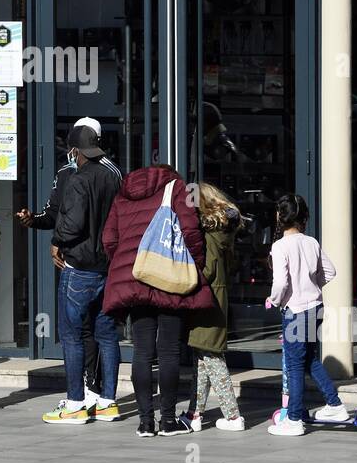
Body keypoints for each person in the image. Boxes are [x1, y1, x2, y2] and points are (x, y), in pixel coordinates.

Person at [16, 117, 120, 410]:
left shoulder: (78, 179)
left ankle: (76, 401)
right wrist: (37, 221)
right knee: (107, 333)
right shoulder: (112, 175)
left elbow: (71, 223)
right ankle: (107, 401)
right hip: (107, 265)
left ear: (76, 150)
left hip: (80, 266)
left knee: (73, 335)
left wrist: (57, 241)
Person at [101, 164, 212, 438]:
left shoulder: (123, 194)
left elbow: (109, 239)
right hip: (168, 277)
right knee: (169, 351)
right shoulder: (178, 188)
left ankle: (145, 422)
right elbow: (191, 229)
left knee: (141, 351)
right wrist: (194, 263)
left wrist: (127, 263)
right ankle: (168, 421)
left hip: (136, 278)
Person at [266, 193, 346, 436]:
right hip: (316, 308)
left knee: (294, 365)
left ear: (280, 216)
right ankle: (334, 405)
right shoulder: (311, 242)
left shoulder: (279, 246)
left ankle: (293, 420)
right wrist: (313, 285)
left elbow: (280, 282)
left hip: (296, 310)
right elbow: (330, 272)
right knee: (309, 359)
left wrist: (274, 299)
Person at [183, 182, 244, 432]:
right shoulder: (224, 231)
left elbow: (206, 270)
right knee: (202, 358)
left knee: (211, 357)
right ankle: (194, 413)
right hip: (217, 298)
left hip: (208, 300)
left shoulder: (209, 235)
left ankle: (232, 416)